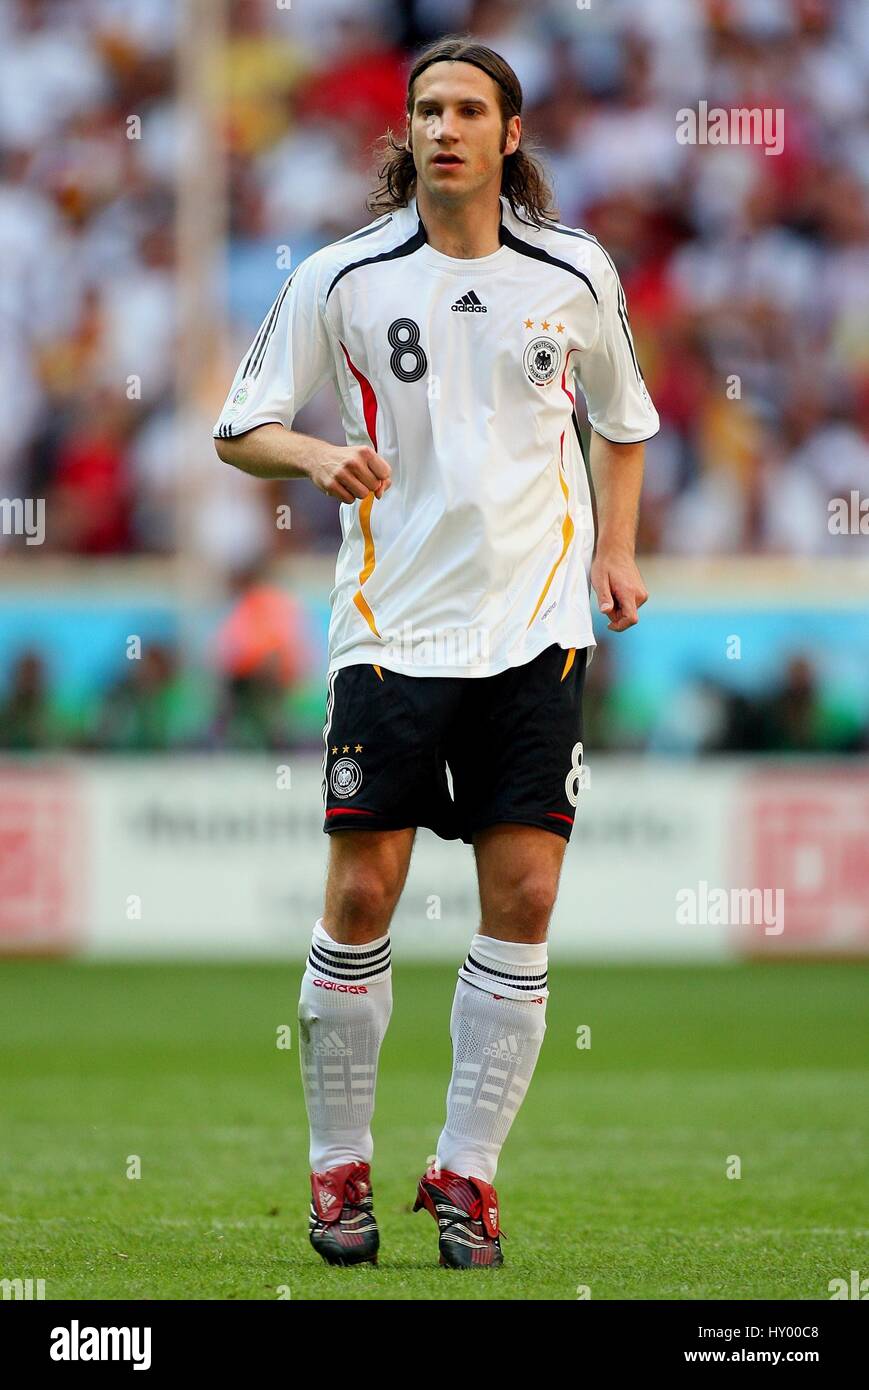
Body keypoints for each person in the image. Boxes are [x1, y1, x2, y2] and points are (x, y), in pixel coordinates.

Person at [214, 35, 658, 1271]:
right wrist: (315, 455)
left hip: (535, 632)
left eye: (469, 109)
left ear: (510, 136)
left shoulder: (573, 272)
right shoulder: (342, 276)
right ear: (404, 133)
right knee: (361, 894)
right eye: (426, 108)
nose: (444, 126)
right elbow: (237, 424)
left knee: (522, 899)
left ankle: (464, 1174)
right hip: (391, 630)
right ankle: (335, 1170)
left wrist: (613, 550)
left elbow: (622, 422)